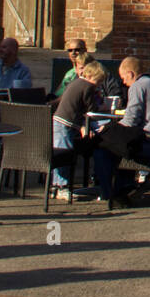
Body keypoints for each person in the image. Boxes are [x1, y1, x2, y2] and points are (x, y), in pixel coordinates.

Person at [90, 57, 150, 203]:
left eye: (123, 78)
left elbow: (130, 121)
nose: (123, 82)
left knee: (101, 148)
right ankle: (124, 185)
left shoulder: (138, 86)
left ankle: (109, 193)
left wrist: (106, 128)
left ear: (130, 74)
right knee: (118, 144)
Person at [51, 62, 105, 200]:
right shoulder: (88, 87)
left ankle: (55, 186)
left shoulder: (75, 83)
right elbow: (90, 110)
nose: (98, 85)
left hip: (59, 121)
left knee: (58, 152)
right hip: (66, 123)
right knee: (65, 154)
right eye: (98, 81)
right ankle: (62, 187)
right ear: (92, 76)